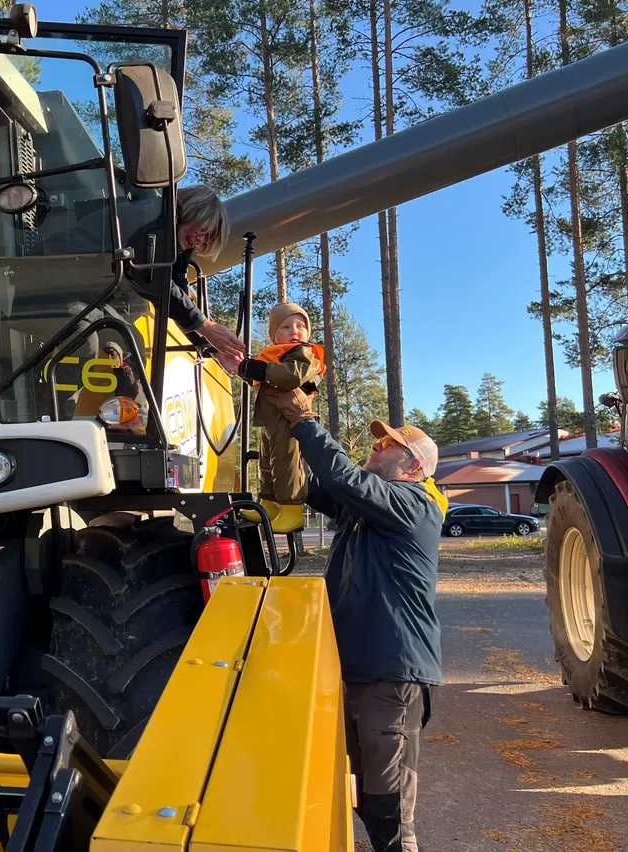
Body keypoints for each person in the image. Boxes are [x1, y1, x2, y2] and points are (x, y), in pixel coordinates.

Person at [260, 383, 447, 852]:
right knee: (360, 784)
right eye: (378, 440)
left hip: (393, 670)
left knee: (389, 793)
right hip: (355, 667)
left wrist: (305, 421)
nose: (377, 446)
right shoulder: (363, 509)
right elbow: (312, 485)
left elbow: (343, 477)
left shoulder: (415, 506)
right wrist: (280, 430)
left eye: (389, 444)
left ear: (414, 466)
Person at [236, 301, 325, 533]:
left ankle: (292, 509)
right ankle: (268, 504)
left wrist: (256, 369)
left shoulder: (306, 354)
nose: (295, 331)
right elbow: (260, 379)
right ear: (274, 334)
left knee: (288, 463)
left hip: (291, 419)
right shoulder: (274, 357)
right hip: (271, 420)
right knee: (267, 462)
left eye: (300, 325)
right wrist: (241, 368)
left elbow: (290, 377)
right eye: (285, 327)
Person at [167, 185, 245, 373]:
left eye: (206, 236)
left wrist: (213, 348)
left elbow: (179, 297)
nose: (199, 240)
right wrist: (206, 326)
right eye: (201, 230)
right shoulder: (145, 233)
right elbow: (155, 279)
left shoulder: (179, 256)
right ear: (187, 212)